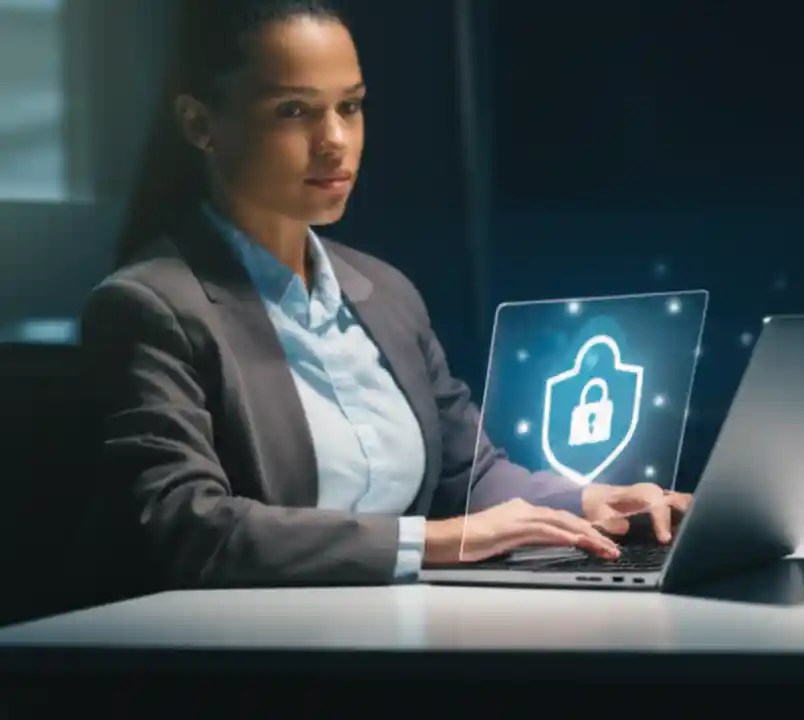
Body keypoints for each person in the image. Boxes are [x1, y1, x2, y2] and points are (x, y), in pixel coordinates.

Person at [81, 0, 690, 592]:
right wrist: (435, 541)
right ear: (198, 124)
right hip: (258, 662)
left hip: (407, 632)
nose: (334, 141)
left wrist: (588, 500)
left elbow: (466, 474)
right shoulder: (149, 307)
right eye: (294, 110)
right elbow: (185, 527)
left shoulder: (385, 292)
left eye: (350, 106)